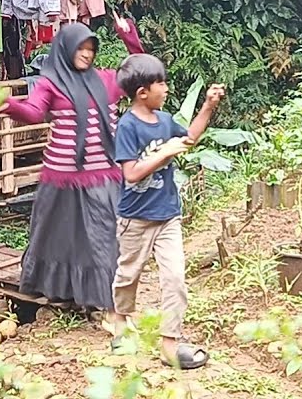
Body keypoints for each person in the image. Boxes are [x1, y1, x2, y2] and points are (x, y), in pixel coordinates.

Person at [0, 22, 138, 314]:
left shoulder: (108, 80)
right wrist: (9, 105)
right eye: (80, 49)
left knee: (100, 238)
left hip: (101, 177)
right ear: (65, 50)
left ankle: (105, 302)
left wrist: (128, 36)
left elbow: (141, 71)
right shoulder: (52, 83)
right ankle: (60, 291)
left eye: (90, 49)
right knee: (58, 238)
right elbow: (34, 112)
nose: (86, 54)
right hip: (60, 178)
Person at [108, 53, 225, 369]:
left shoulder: (165, 120)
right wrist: (164, 153)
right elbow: (131, 173)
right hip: (135, 218)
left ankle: (170, 343)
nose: (166, 88)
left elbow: (188, 138)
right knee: (127, 275)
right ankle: (120, 320)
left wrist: (208, 106)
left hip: (168, 215)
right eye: (160, 83)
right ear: (142, 92)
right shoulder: (128, 127)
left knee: (175, 278)